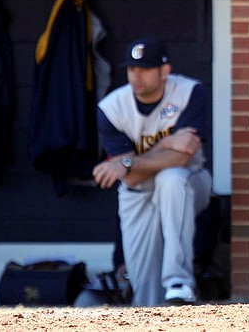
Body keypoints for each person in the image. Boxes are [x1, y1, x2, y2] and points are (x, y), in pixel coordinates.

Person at [91, 38, 212, 306]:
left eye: (145, 69)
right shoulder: (111, 108)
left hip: (190, 180)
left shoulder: (190, 92)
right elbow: (131, 176)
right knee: (145, 291)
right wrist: (166, 143)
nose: (136, 76)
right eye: (132, 69)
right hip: (138, 190)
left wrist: (128, 162)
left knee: (171, 179)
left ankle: (179, 282)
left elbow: (182, 157)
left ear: (165, 71)